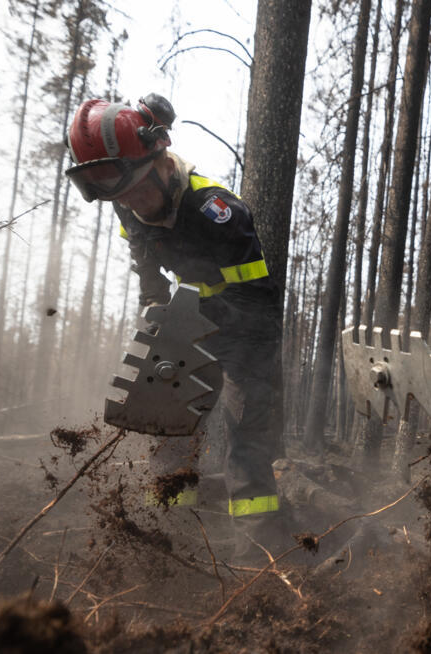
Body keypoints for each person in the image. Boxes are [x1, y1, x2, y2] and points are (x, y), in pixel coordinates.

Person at [65, 94, 289, 556]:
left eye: (136, 191)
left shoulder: (217, 212)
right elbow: (142, 252)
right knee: (167, 426)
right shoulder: (125, 200)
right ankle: (170, 536)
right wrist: (155, 304)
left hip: (246, 329)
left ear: (162, 162)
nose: (131, 203)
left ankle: (259, 550)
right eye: (119, 197)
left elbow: (256, 297)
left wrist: (201, 324)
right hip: (189, 319)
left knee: (246, 436)